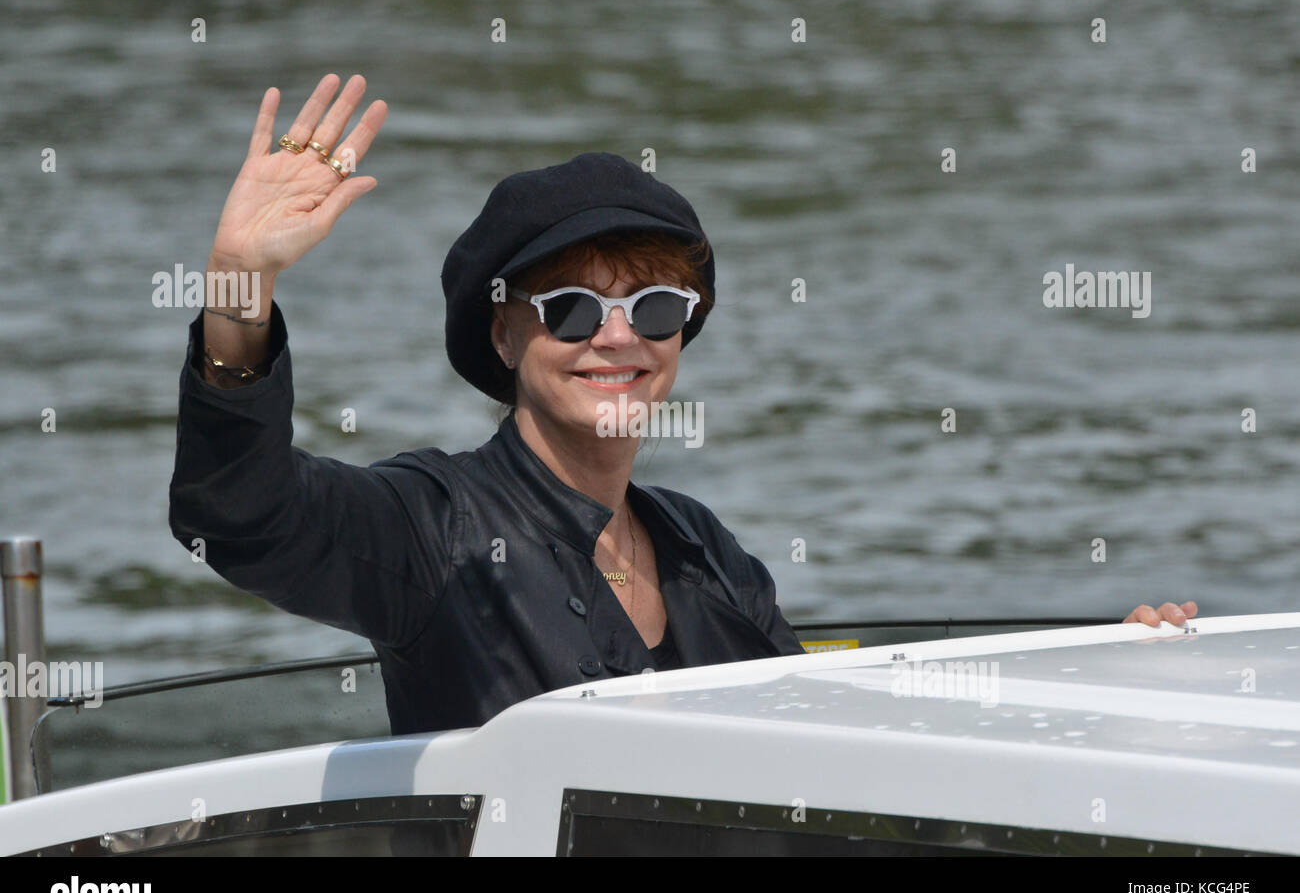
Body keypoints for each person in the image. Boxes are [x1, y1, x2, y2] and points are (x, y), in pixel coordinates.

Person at [168, 73, 1197, 737]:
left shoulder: (703, 547)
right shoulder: (430, 524)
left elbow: (841, 740)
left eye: (655, 306)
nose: (617, 336)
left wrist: (1103, 677)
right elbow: (241, 516)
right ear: (501, 332)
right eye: (572, 308)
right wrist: (235, 289)